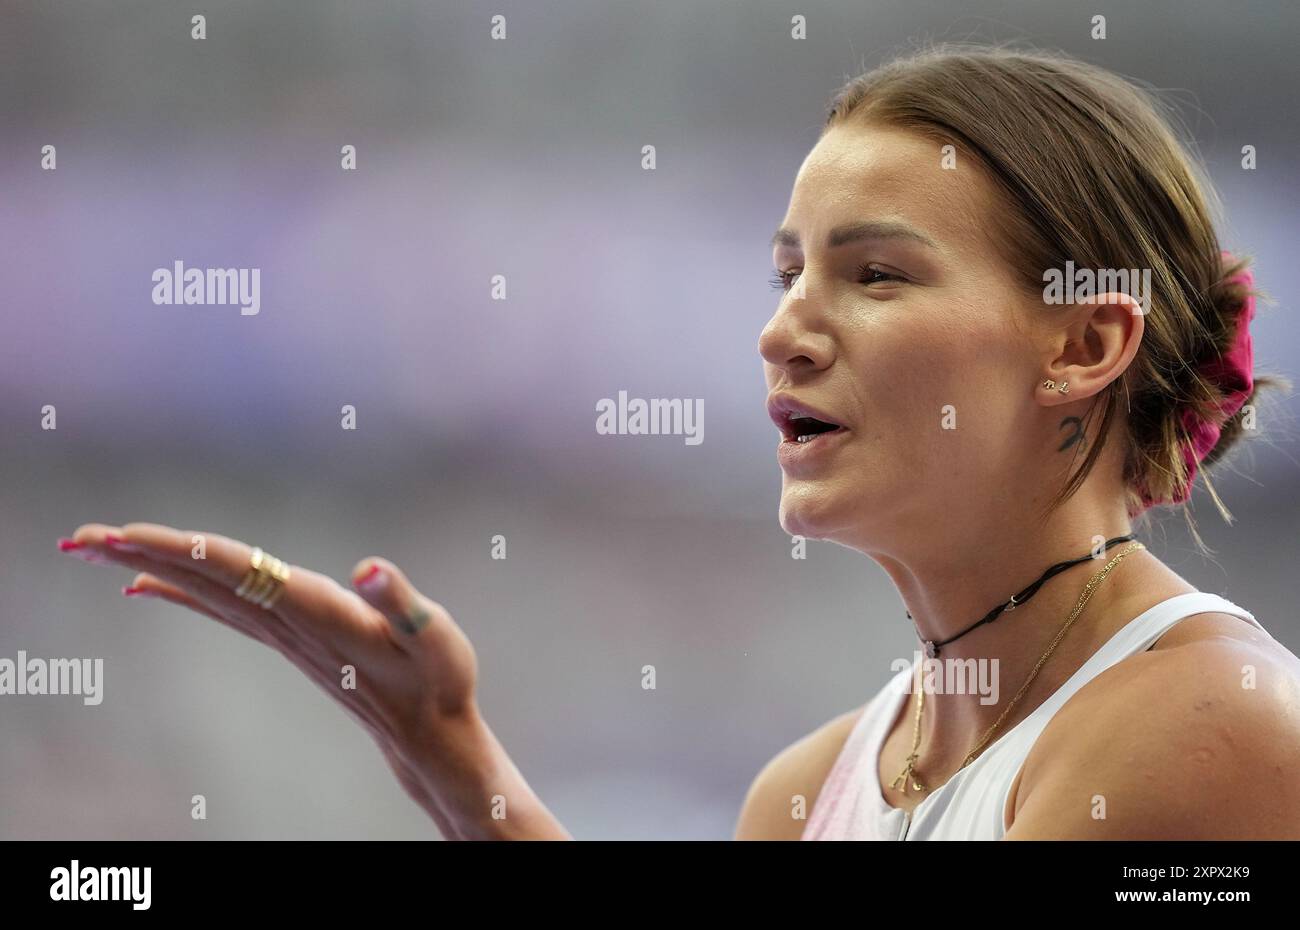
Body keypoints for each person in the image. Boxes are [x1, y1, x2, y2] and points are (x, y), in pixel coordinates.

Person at [60, 44, 1300, 840]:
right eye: (784, 272)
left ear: (1083, 346)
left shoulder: (1208, 726)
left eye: (874, 274)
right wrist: (451, 762)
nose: (782, 332)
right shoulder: (806, 793)